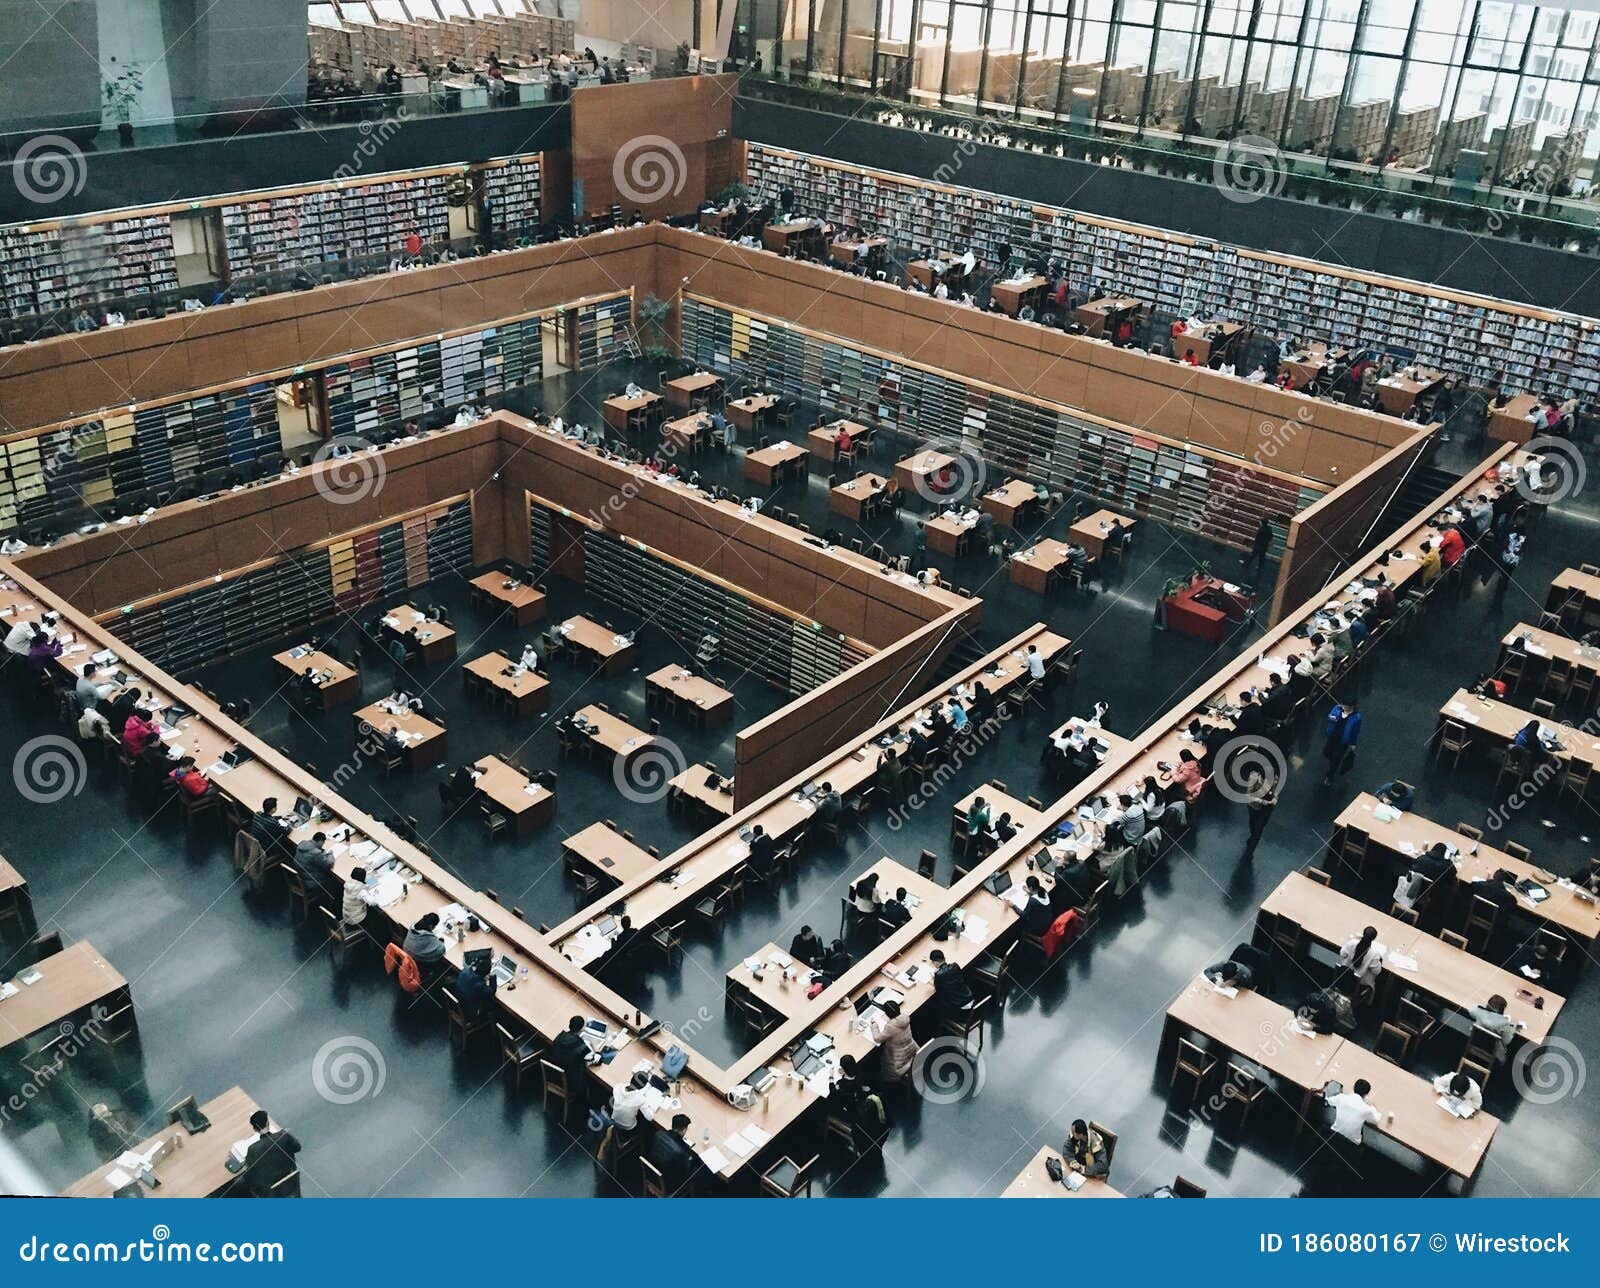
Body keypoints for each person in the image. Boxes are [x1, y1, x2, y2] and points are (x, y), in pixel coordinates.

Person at [241, 1110, 302, 1196]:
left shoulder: (252, 1150)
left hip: (269, 1191)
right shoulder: (284, 1136)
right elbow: (297, 1147)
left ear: (255, 1129)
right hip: (291, 1181)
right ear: (268, 1123)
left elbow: (249, 1174)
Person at [645, 1113, 701, 1194]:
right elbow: (685, 1169)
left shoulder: (659, 1134)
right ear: (684, 1130)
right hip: (669, 1184)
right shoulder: (680, 1152)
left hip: (653, 1173)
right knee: (700, 1169)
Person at [549, 1015, 593, 1102]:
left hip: (552, 1076)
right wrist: (591, 1046)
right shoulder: (580, 1045)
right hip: (570, 1084)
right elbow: (591, 1056)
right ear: (581, 1029)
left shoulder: (559, 1037)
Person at [1325, 1078, 1380, 1145]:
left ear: (1353, 1087)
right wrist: (1373, 1106)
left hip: (1333, 1137)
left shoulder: (1341, 1098)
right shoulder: (1366, 1109)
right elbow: (1376, 1120)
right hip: (1351, 1145)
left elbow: (1329, 1100)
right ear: (1366, 1094)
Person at [874, 998, 916, 1084]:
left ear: (887, 1014)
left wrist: (874, 1026)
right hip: (912, 1052)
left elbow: (877, 1039)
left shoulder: (890, 1027)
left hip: (899, 1062)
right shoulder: (905, 1017)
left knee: (882, 1062)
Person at [1320, 699, 1361, 787]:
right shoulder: (1337, 708)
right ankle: (1332, 761)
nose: (1343, 707)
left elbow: (1355, 731)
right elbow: (1329, 717)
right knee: (1326, 752)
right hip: (1332, 736)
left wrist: (1353, 743)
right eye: (1343, 705)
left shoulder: (1357, 718)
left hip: (1343, 741)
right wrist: (1333, 718)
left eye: (1346, 706)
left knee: (1336, 759)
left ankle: (1329, 776)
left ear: (1351, 707)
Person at [1468, 994, 1520, 1062]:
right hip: (1493, 1056)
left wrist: (1485, 1009)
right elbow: (1507, 1041)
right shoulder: (1504, 1023)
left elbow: (1471, 1010)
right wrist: (1513, 1029)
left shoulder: (1480, 1013)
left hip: (1472, 1048)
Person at [1338, 926, 1386, 992]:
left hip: (1343, 979)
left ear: (1363, 934)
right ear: (1374, 938)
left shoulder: (1351, 943)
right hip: (1360, 985)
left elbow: (1342, 954)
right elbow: (1376, 972)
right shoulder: (1374, 954)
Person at [1241, 773, 1277, 860]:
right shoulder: (1254, 777)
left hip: (1267, 809)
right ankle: (1252, 838)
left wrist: (1275, 798)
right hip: (1254, 807)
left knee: (1258, 832)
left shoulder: (1275, 778)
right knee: (1253, 827)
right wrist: (1262, 801)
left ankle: (1249, 853)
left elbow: (1275, 791)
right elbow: (1248, 795)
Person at [293, 831, 338, 898]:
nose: (323, 844)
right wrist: (330, 854)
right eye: (323, 842)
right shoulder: (316, 853)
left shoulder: (302, 843)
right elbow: (329, 863)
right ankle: (331, 901)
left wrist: (321, 851)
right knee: (334, 880)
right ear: (320, 841)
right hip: (311, 881)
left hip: (301, 875)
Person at [930, 949, 973, 1020]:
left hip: (960, 1010)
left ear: (935, 963)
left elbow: (938, 991)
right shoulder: (955, 966)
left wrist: (934, 980)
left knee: (935, 1004)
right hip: (969, 998)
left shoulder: (939, 975)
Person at [454, 952, 497, 1021]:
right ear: (486, 974)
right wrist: (493, 977)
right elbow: (492, 992)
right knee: (493, 1005)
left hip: (458, 1003)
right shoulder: (480, 985)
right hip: (470, 1012)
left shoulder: (465, 971)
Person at [342, 866, 376, 930]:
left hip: (347, 916)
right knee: (374, 914)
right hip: (356, 919)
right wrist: (375, 895)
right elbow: (372, 902)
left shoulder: (348, 884)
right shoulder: (360, 891)